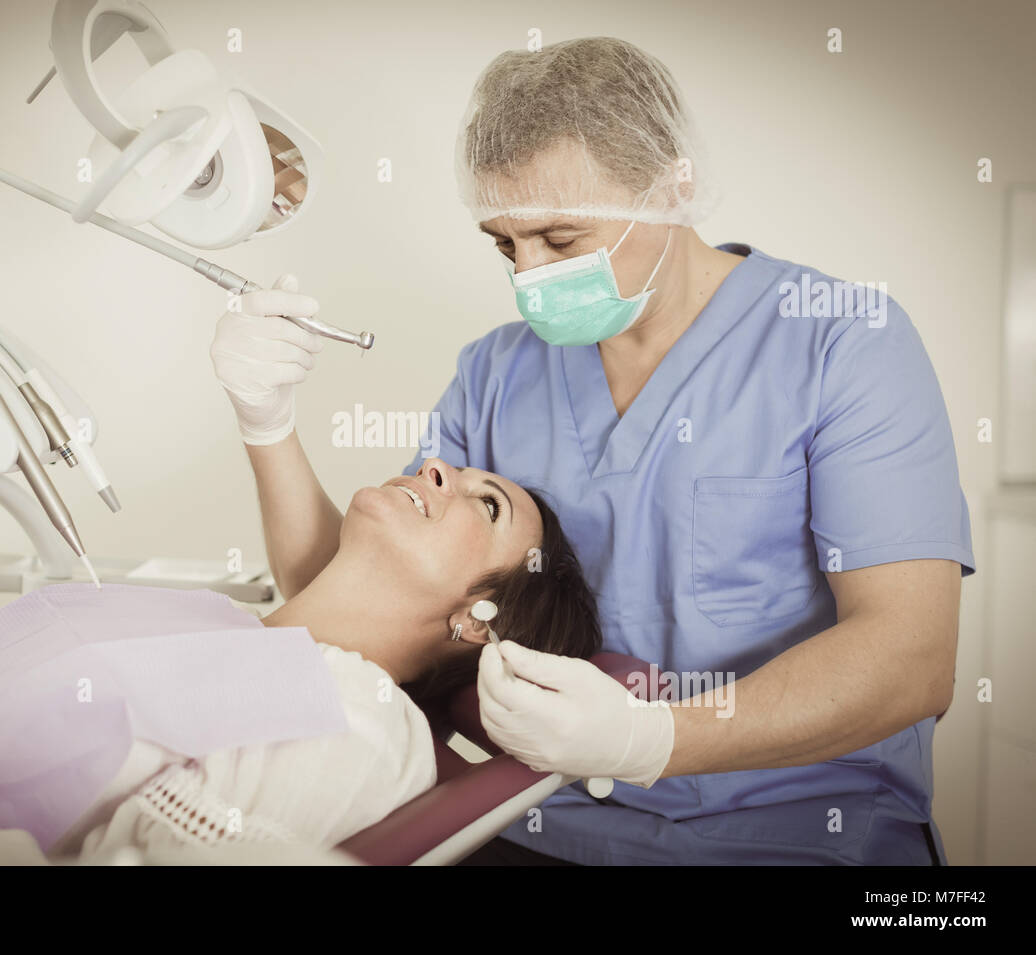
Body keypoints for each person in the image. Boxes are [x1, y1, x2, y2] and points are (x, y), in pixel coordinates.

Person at [209, 37, 973, 865]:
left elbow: (911, 658)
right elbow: (356, 603)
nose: (529, 277)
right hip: (538, 823)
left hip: (798, 834)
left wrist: (651, 739)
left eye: (561, 239)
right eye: (505, 245)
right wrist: (268, 422)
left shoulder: (840, 344)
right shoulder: (497, 372)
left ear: (673, 186)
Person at [0, 463, 601, 864]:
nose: (438, 467)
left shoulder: (361, 719)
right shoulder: (220, 622)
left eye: (487, 503)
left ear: (479, 619)